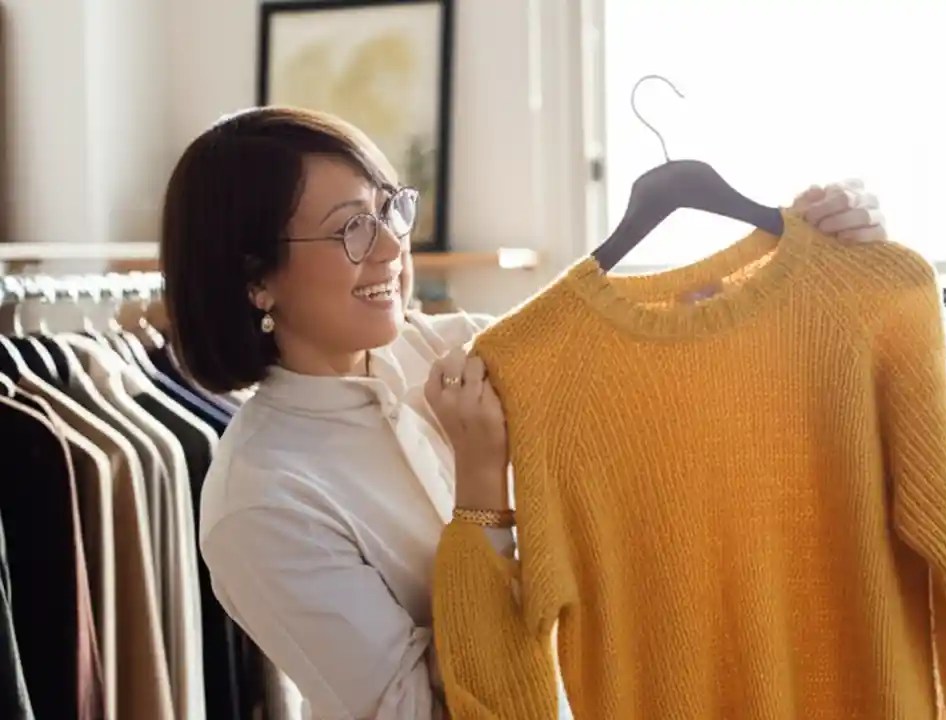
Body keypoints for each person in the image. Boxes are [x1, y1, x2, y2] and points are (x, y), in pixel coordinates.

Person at [164, 106, 888, 719]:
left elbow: (663, 363)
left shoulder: (454, 346)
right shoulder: (262, 502)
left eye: (391, 208)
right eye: (352, 228)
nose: (391, 247)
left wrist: (823, 251)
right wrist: (482, 489)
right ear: (256, 278)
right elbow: (419, 711)